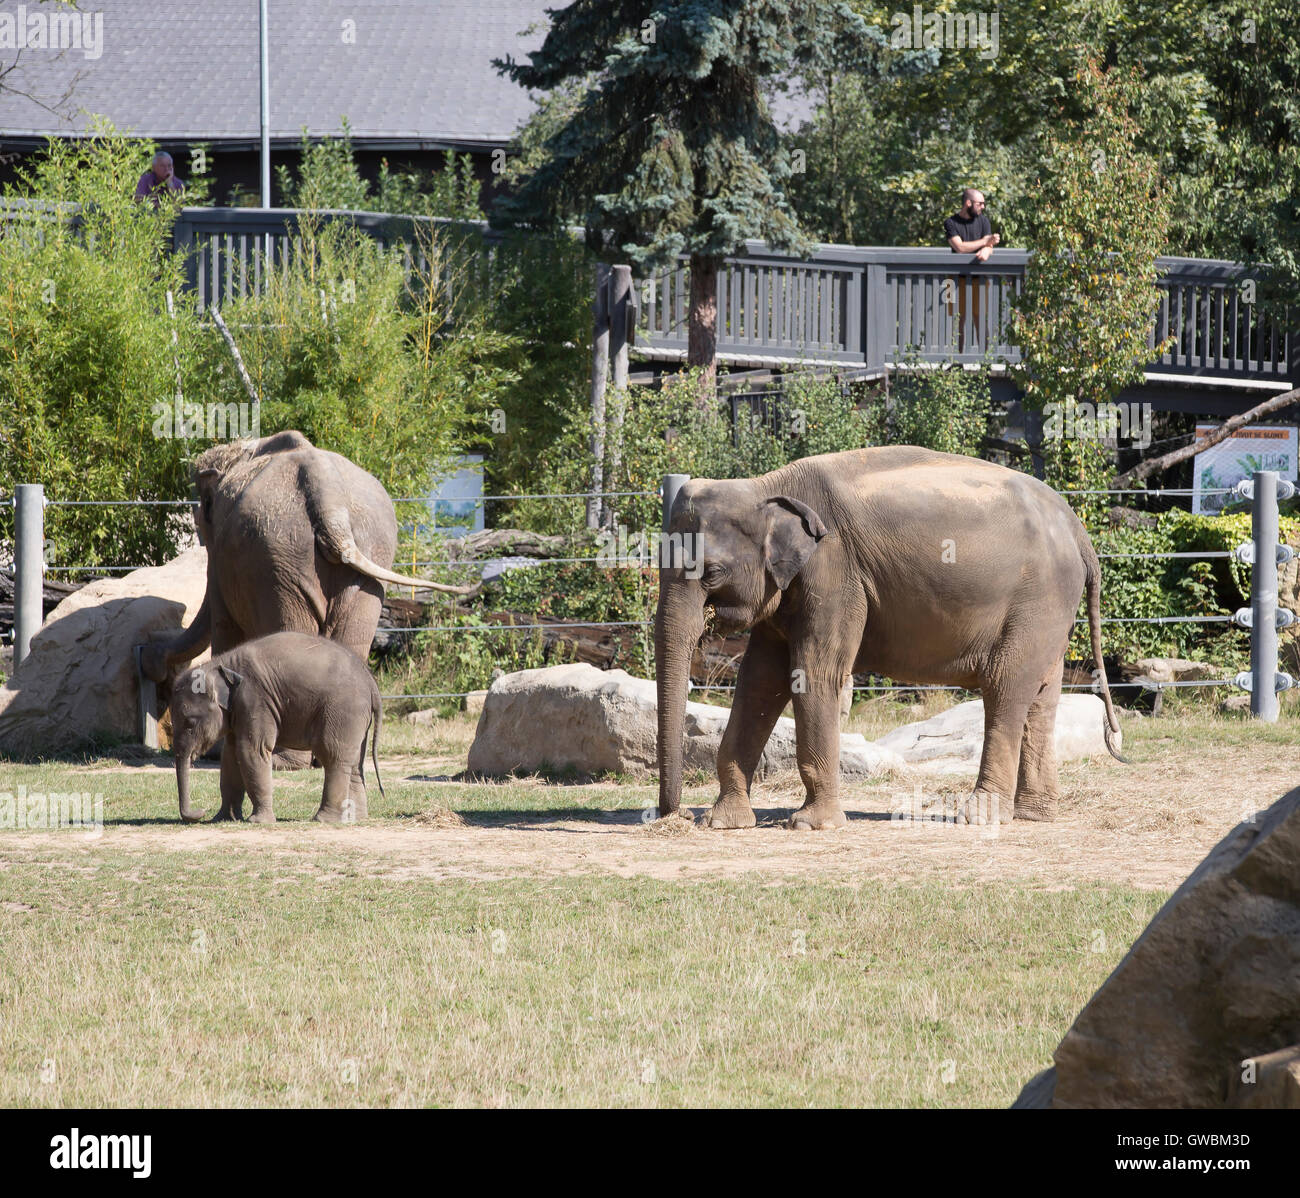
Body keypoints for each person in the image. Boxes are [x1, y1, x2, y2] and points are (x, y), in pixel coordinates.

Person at [943, 188, 999, 350]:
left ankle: (985, 362)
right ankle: (956, 363)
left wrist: (988, 249)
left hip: (979, 279)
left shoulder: (983, 221)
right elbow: (960, 247)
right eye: (980, 203)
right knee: (957, 321)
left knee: (980, 319)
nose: (983, 207)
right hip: (954, 279)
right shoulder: (950, 223)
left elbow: (989, 246)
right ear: (968, 203)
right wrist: (985, 242)